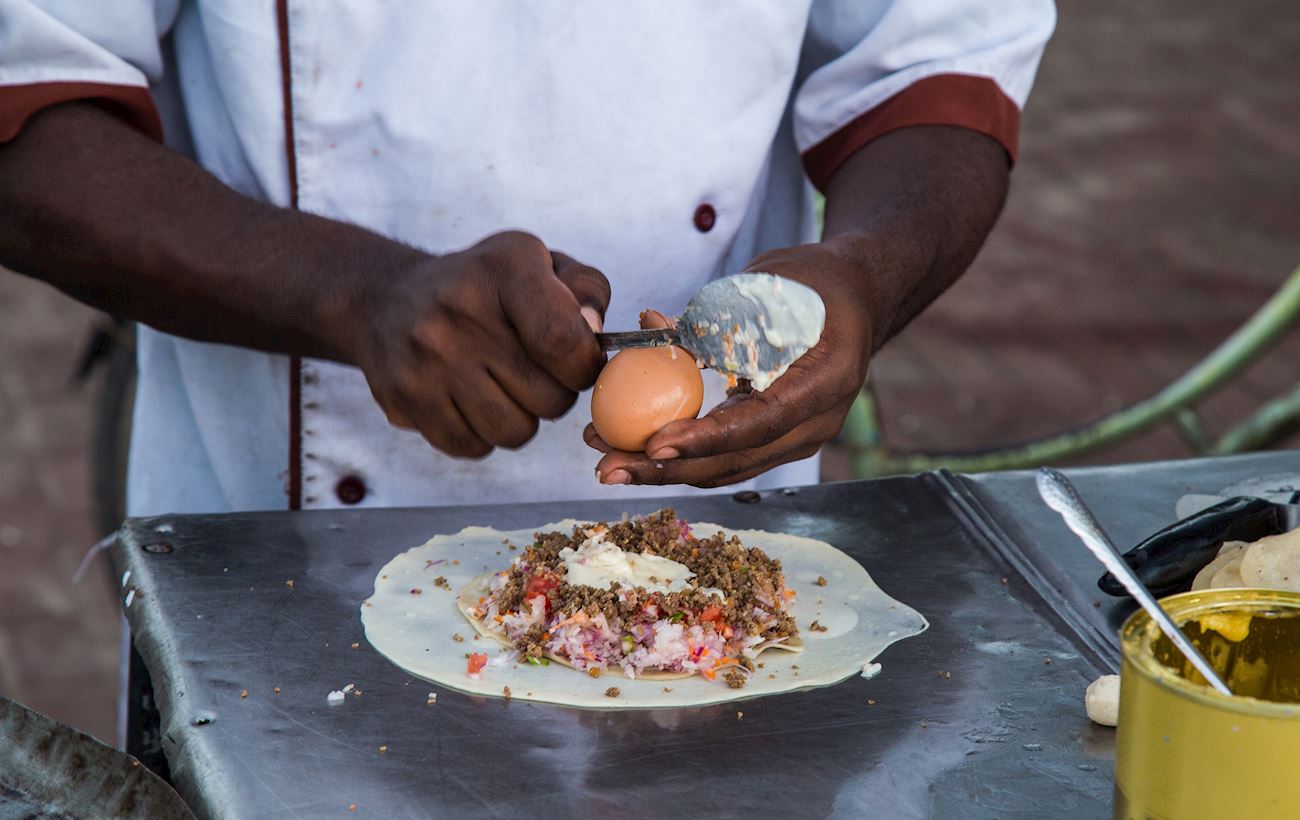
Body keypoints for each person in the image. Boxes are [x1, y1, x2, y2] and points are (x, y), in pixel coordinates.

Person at [0, 1, 1055, 517]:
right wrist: (355, 294)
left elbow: (935, 58)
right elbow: (30, 92)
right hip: (275, 536)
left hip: (726, 527)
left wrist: (864, 275)